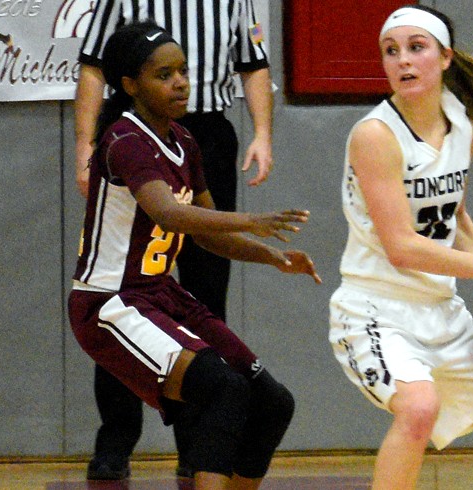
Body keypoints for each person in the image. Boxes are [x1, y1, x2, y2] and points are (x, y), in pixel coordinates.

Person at [67, 21, 321, 489]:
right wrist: (250, 219)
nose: (180, 82)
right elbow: (169, 214)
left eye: (183, 71)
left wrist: (271, 256)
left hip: (161, 294)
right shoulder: (125, 141)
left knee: (272, 402)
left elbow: (206, 234)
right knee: (222, 389)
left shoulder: (184, 141)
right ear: (130, 85)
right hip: (109, 303)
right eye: (164, 75)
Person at [328, 6, 473, 490]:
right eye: (391, 51)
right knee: (418, 409)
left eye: (417, 48)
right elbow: (401, 248)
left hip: (441, 313)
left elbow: (454, 214)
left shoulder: (463, 125)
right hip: (375, 312)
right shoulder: (375, 135)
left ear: (446, 57)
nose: (403, 60)